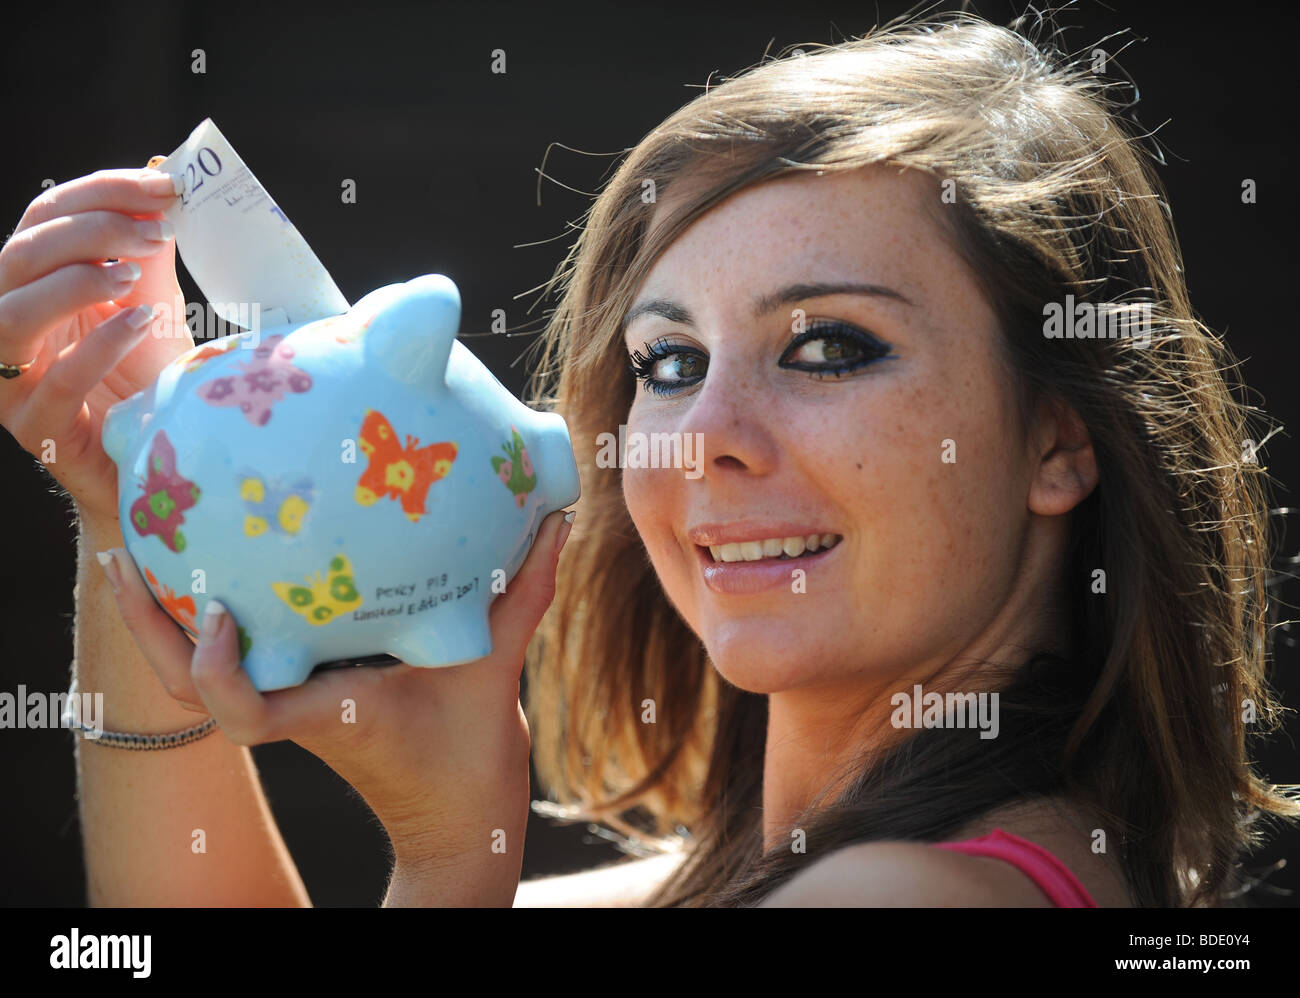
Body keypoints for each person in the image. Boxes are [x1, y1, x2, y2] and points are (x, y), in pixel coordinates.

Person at [3, 9, 1297, 908]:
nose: (705, 439)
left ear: (1059, 437)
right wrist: (133, 497)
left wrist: (455, 850)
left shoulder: (900, 893)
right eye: (670, 361)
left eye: (832, 346)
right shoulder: (794, 864)